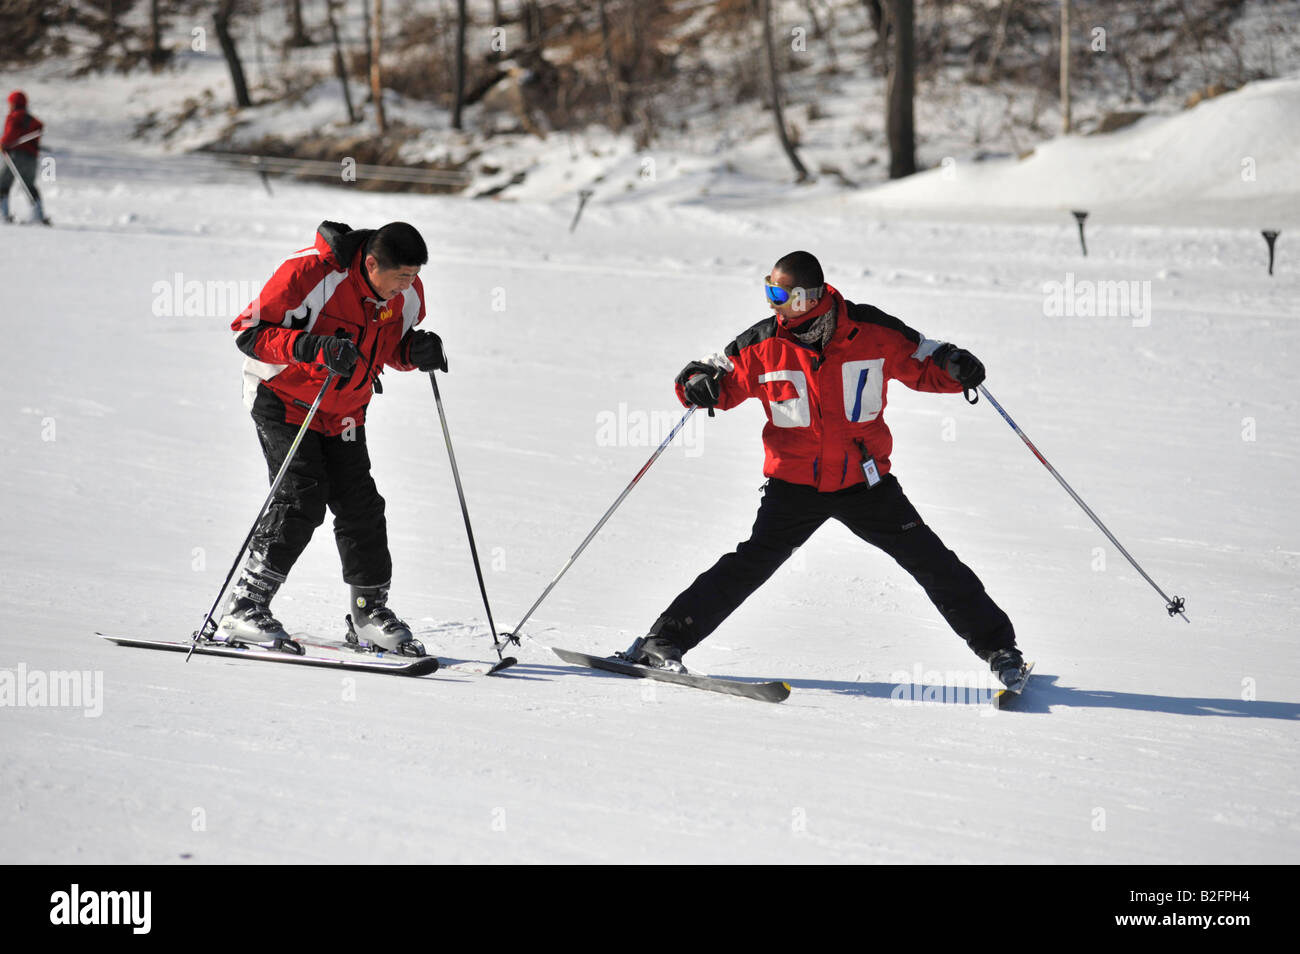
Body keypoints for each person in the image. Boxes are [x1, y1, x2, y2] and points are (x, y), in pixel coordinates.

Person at [626, 250, 1025, 685]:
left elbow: (924, 359)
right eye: (768, 291)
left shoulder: (871, 331)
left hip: (864, 481)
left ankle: (1000, 649)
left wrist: (955, 366)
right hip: (794, 484)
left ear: (807, 297)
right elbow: (715, 375)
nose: (772, 304)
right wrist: (696, 383)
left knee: (931, 560)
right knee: (750, 564)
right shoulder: (761, 344)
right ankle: (661, 642)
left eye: (780, 294)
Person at [217, 221, 448, 656]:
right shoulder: (310, 273)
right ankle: (244, 606)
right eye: (401, 276)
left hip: (344, 411)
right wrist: (310, 347)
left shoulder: (408, 295)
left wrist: (413, 352)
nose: (408, 287)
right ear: (372, 263)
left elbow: (389, 348)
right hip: (283, 396)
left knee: (361, 505)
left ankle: (367, 615)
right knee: (302, 496)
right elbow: (248, 333)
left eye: (414, 276)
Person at [1, 90, 49, 225]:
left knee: (2, 184)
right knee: (29, 186)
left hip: (15, 156)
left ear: (14, 104)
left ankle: (2, 214)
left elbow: (10, 135)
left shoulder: (14, 117)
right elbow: (39, 130)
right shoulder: (31, 119)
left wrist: (3, 144)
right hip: (31, 158)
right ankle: (37, 215)